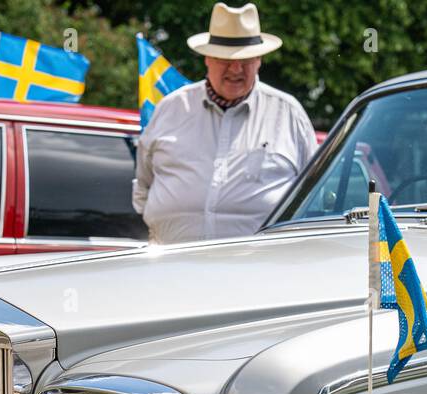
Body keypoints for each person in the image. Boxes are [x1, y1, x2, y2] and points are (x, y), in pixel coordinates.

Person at [132, 2, 318, 243]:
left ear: (259, 59)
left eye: (246, 59)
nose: (236, 69)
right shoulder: (170, 108)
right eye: (225, 59)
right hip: (172, 262)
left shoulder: (288, 113)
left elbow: (314, 194)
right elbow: (143, 187)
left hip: (259, 264)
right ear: (207, 58)